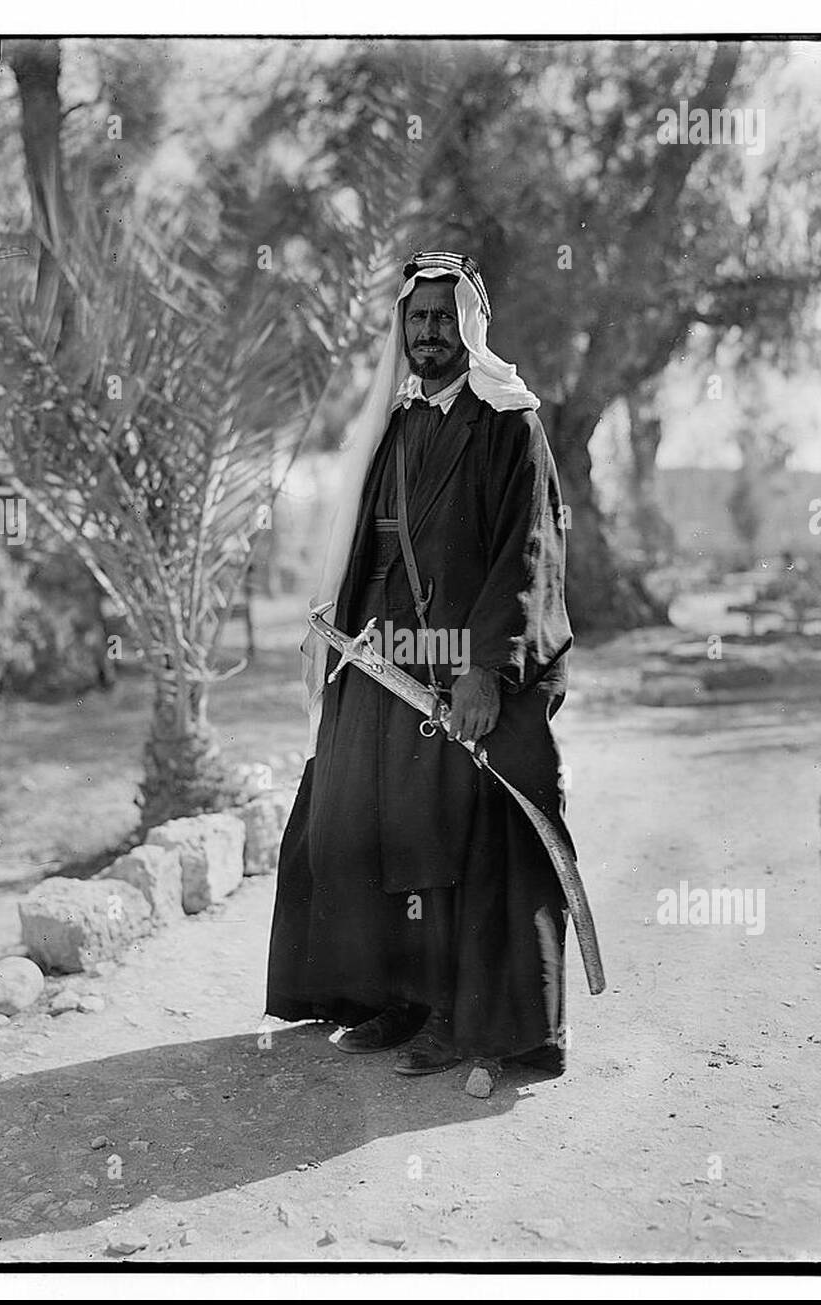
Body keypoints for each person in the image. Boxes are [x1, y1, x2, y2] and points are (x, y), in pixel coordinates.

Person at [265, 250, 574, 1089]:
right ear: (401, 329)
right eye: (417, 319)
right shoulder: (395, 426)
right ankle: (393, 997)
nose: (429, 333)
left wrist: (483, 673)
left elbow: (526, 556)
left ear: (469, 326)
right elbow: (363, 549)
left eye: (443, 318)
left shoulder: (510, 425)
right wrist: (339, 639)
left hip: (460, 672)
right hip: (382, 665)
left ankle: (452, 1013)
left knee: (445, 841)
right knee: (366, 826)